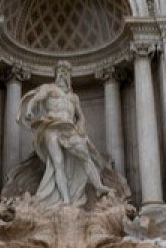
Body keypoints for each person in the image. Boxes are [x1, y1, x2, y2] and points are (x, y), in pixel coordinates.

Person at [18, 61, 112, 207]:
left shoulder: (73, 97)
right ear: (56, 75)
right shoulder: (49, 89)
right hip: (52, 127)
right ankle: (66, 199)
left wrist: (81, 127)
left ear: (69, 76)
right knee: (58, 163)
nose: (62, 75)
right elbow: (35, 100)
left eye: (66, 72)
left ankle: (98, 186)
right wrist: (29, 110)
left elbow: (80, 116)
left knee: (86, 156)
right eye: (60, 72)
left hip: (69, 129)